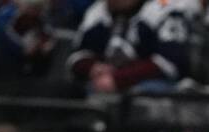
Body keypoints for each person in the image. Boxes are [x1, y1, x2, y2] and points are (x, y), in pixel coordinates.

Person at [67, 0, 199, 94]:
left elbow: (171, 62)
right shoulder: (97, 11)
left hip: (155, 87)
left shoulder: (166, 8)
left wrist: (118, 79)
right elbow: (76, 56)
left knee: (148, 92)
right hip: (104, 84)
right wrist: (93, 68)